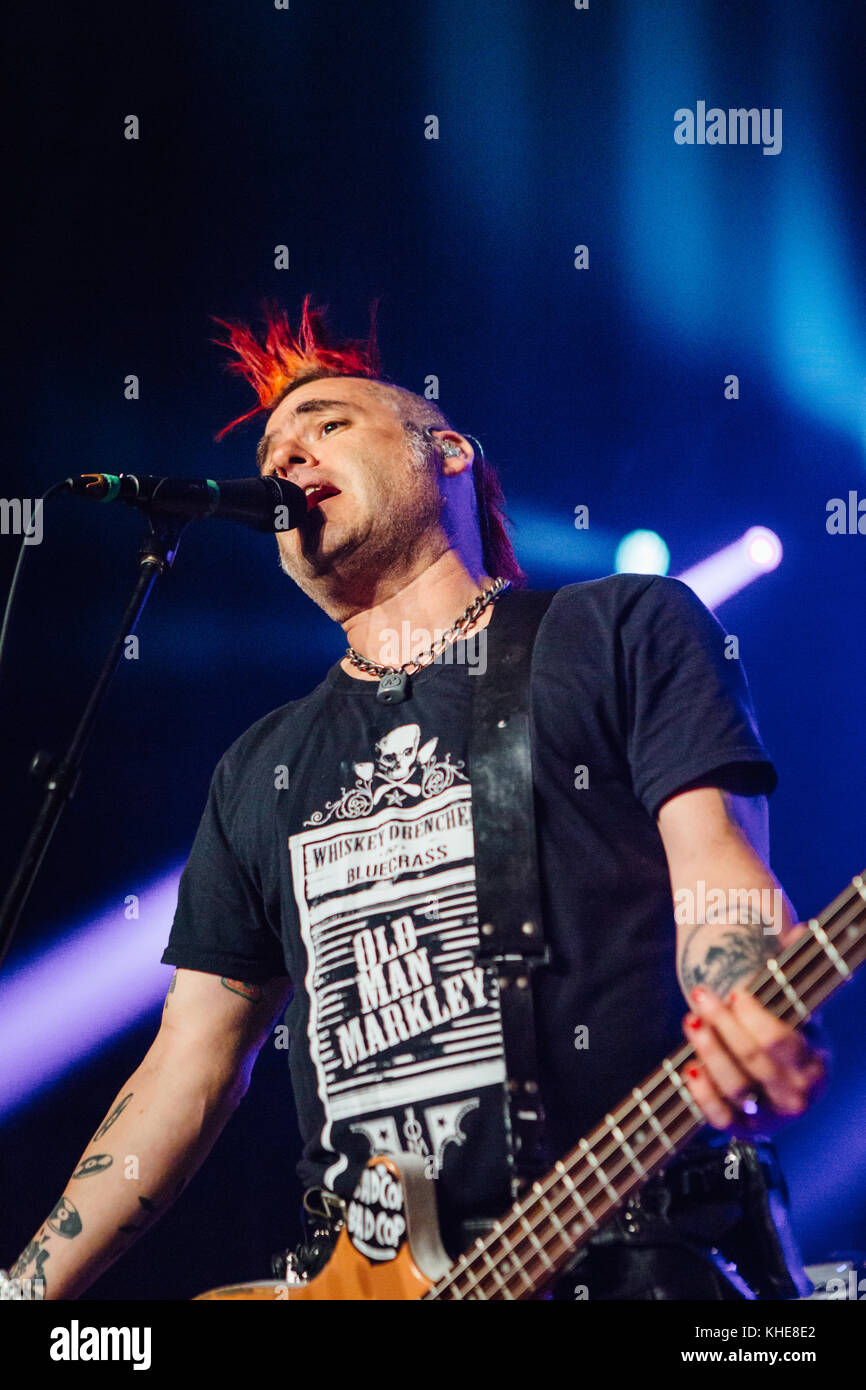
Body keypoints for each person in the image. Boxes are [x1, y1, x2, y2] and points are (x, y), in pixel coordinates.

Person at [7, 299, 827, 1302]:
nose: (286, 455)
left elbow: (715, 870)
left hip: (627, 1254)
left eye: (328, 425)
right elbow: (187, 1066)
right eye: (271, 446)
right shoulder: (259, 766)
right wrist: (25, 1293)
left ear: (446, 453)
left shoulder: (616, 627)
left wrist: (742, 1002)